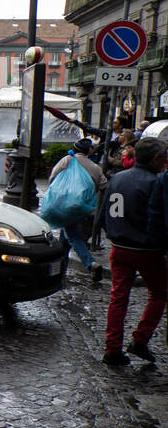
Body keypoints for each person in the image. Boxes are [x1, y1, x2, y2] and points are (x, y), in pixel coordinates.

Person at [101, 136, 167, 366]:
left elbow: (104, 212)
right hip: (147, 248)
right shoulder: (155, 182)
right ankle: (140, 339)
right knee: (160, 293)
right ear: (156, 158)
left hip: (119, 246)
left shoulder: (117, 178)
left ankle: (113, 349)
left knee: (118, 297)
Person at [49, 139, 106, 286]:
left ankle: (90, 264)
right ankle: (61, 272)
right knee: (65, 238)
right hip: (86, 209)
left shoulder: (67, 160)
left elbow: (53, 178)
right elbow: (104, 186)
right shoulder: (95, 167)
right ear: (89, 151)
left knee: (73, 237)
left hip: (68, 206)